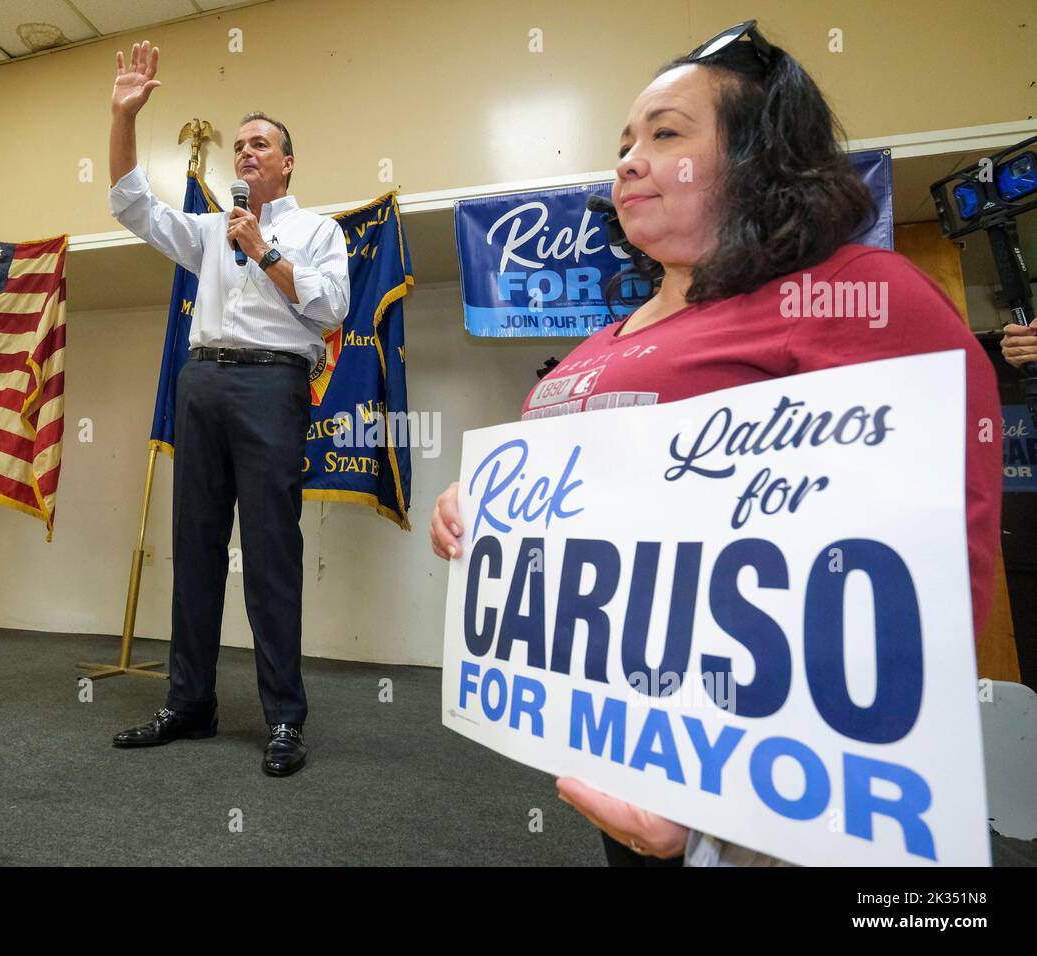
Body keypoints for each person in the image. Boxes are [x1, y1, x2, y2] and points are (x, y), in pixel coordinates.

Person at [430, 21, 1002, 865]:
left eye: (666, 135)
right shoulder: (600, 342)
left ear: (758, 156)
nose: (627, 160)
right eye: (624, 142)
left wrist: (721, 805)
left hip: (762, 800)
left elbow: (935, 562)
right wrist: (476, 509)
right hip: (620, 754)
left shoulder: (857, 292)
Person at [106, 41, 351, 777]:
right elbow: (130, 204)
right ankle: (191, 705)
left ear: (286, 163)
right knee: (197, 547)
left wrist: (265, 251)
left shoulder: (318, 232)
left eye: (260, 143)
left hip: (273, 387)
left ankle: (283, 719)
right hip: (203, 384)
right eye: (238, 144)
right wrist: (123, 116)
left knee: (272, 554)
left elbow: (333, 308)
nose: (245, 152)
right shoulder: (209, 229)